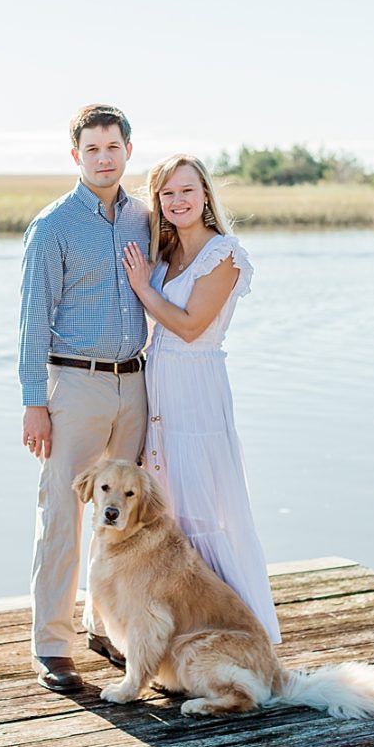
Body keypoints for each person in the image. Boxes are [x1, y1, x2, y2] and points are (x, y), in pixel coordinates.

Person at [17, 104, 150, 694]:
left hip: (134, 383)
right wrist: (34, 401)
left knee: (122, 516)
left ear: (127, 151)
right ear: (76, 155)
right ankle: (52, 644)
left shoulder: (144, 220)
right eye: (92, 149)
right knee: (62, 515)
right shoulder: (53, 226)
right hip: (73, 385)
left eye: (112, 147)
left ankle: (106, 627)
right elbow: (33, 319)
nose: (103, 158)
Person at [121, 155, 280, 642]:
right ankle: (182, 627)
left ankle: (235, 629)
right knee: (169, 506)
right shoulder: (167, 255)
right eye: (167, 193)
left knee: (204, 507)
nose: (177, 201)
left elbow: (190, 327)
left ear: (205, 193)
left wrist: (142, 288)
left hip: (197, 389)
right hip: (160, 387)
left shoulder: (223, 255)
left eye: (186, 190)